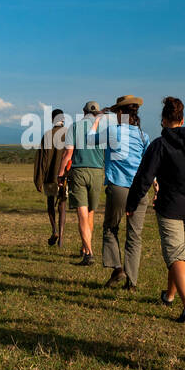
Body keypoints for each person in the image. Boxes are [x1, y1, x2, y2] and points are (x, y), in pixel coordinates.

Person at [127, 97, 185, 323]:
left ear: (163, 120)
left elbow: (144, 178)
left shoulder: (159, 145)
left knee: (176, 254)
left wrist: (132, 203)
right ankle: (169, 295)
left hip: (170, 208)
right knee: (180, 253)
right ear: (182, 119)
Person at [97, 95, 149, 289]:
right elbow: (148, 165)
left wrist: (98, 118)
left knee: (111, 228)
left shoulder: (111, 132)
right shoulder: (144, 136)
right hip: (140, 190)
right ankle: (132, 282)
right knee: (135, 236)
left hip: (118, 187)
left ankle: (118, 267)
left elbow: (89, 139)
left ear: (119, 112)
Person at [66, 101, 106, 266]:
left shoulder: (75, 126)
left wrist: (61, 173)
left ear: (83, 112)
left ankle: (88, 252)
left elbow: (68, 152)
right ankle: (85, 247)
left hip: (79, 171)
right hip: (97, 172)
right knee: (90, 213)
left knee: (82, 214)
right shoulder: (103, 129)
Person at [32, 109, 69, 247]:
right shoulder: (68, 134)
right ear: (63, 119)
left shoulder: (47, 135)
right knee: (62, 205)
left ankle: (54, 230)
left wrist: (39, 179)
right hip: (64, 176)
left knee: (50, 203)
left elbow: (41, 160)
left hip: (49, 176)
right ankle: (61, 238)